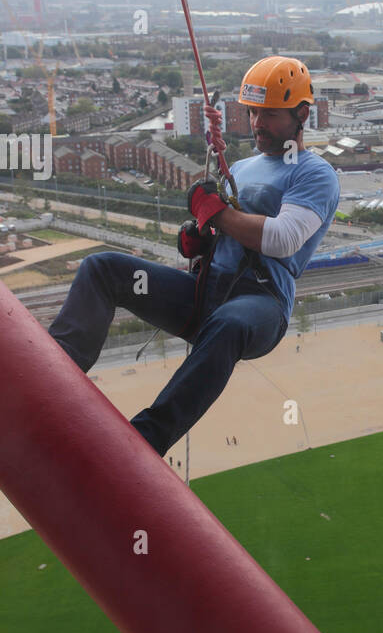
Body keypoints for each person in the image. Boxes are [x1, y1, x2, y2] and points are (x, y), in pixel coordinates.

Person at [48, 56, 339, 457]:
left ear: (301, 114)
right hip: (207, 296)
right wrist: (203, 239)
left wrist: (218, 213)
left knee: (228, 322)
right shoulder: (241, 166)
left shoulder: (313, 173)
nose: (257, 124)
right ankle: (54, 374)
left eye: (270, 114)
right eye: (254, 113)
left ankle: (146, 438)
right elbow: (226, 228)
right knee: (103, 269)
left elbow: (283, 239)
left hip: (260, 304)